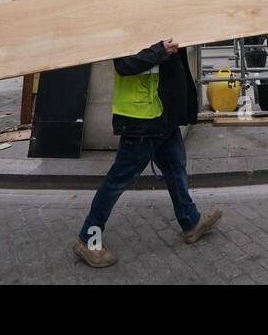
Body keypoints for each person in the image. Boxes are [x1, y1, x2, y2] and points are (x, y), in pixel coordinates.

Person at [75, 39, 222, 268]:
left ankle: (191, 223)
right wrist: (160, 51)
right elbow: (124, 64)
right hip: (142, 120)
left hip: (163, 118)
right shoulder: (126, 24)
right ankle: (87, 239)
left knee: (175, 169)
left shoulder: (160, 19)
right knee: (117, 180)